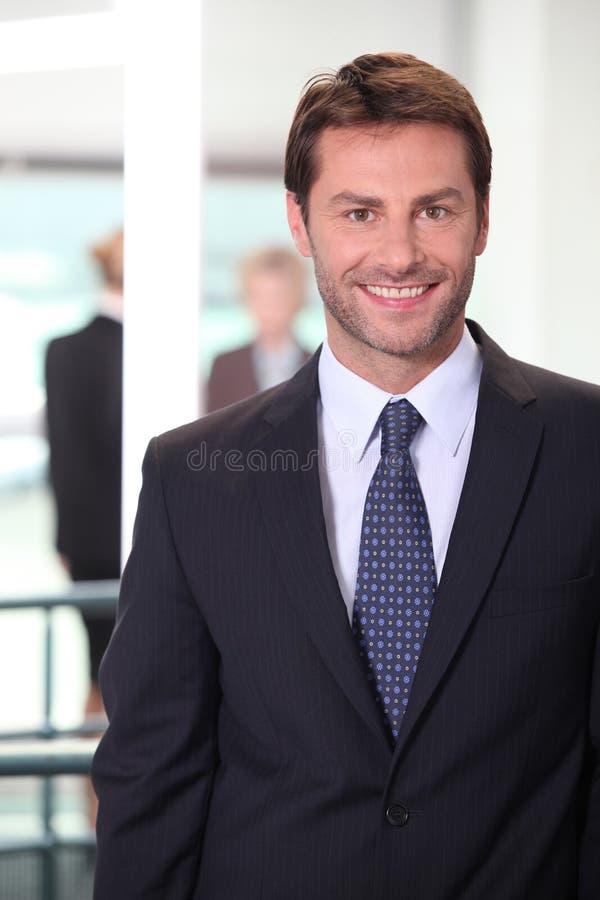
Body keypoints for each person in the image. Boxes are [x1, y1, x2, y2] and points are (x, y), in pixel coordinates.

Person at [92, 54, 600, 899]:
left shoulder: (587, 447)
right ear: (300, 223)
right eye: (359, 212)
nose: (399, 254)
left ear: (481, 220)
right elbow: (152, 779)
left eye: (434, 209)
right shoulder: (195, 475)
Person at [45, 228, 123, 824]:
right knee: (101, 676)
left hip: (95, 541)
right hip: (101, 544)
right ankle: (98, 822)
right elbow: (68, 455)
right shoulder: (72, 348)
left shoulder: (66, 349)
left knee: (105, 675)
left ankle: (100, 826)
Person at [206, 245, 310, 411]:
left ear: (296, 297)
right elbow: (211, 432)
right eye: (258, 296)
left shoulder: (318, 365)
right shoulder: (225, 366)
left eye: (276, 295)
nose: (267, 307)